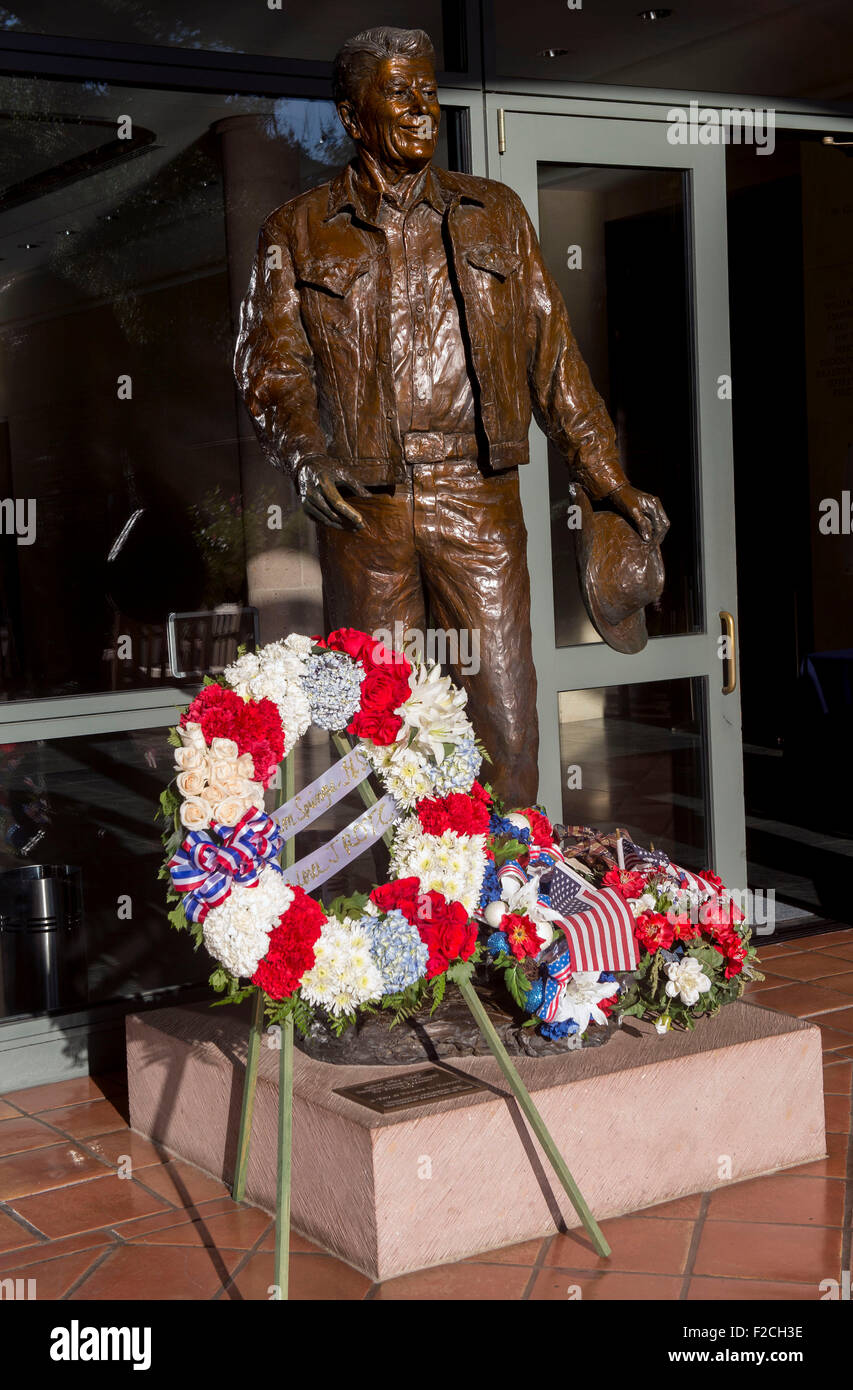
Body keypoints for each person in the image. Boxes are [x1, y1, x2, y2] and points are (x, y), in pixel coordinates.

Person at [235, 25, 668, 807]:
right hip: (366, 511)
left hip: (479, 500)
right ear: (352, 115)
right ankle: (393, 914)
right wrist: (306, 453)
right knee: (372, 727)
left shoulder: (493, 213)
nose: (422, 109)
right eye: (399, 93)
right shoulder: (297, 230)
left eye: (428, 91)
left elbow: (553, 358)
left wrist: (604, 474)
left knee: (505, 716)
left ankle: (507, 906)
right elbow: (272, 370)